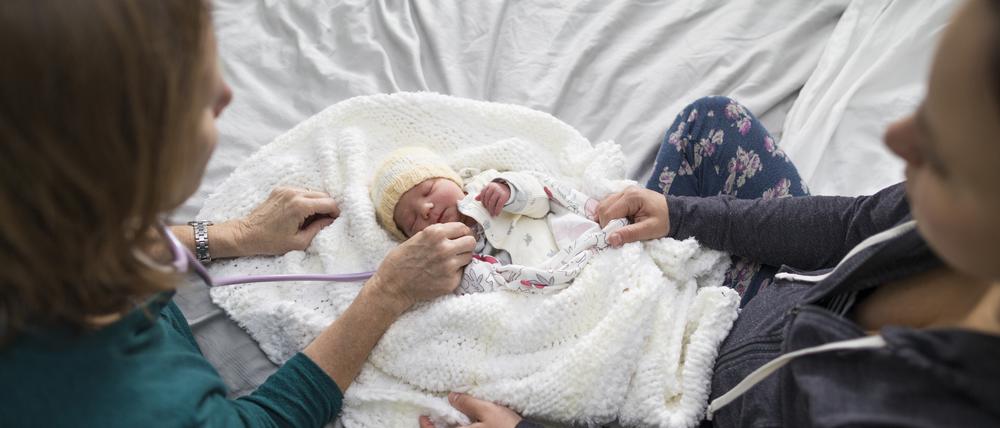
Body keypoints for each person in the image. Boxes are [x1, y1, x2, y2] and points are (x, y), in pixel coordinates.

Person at [422, 0, 1000, 426]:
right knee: (709, 122)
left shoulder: (903, 408)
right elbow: (849, 226)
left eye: (938, 151)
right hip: (763, 290)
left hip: (697, 386)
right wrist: (678, 213)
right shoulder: (942, 234)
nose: (896, 138)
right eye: (923, 107)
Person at [0, 1, 475, 427]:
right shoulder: (127, 405)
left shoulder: (32, 205)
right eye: (195, 96)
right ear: (119, 159)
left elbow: (104, 238)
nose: (226, 94)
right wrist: (387, 293)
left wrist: (235, 235)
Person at [372, 146, 623, 294]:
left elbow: (542, 199)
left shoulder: (486, 189)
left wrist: (511, 191)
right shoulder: (447, 258)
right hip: (536, 292)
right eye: (412, 219)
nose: (426, 208)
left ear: (452, 180)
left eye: (428, 190)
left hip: (575, 250)